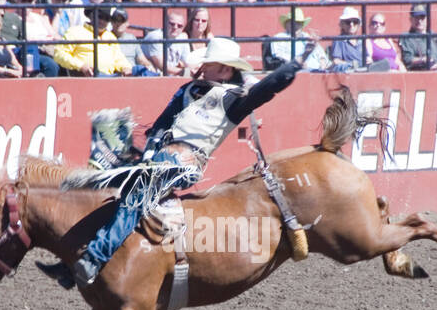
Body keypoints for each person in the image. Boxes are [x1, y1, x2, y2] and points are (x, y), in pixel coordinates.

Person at [68, 38, 301, 286]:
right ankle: (71, 262)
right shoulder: (188, 90)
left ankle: (94, 258)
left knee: (137, 195)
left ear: (223, 69)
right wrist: (148, 153)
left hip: (183, 162)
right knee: (108, 180)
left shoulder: (234, 100)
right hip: (160, 157)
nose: (202, 66)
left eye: (208, 63)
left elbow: (267, 88)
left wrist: (294, 66)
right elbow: (161, 124)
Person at [400, 5, 437, 71]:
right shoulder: (407, 38)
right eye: (416, 18)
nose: (419, 21)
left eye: (422, 18)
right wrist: (424, 60)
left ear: (427, 19)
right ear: (410, 19)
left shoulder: (433, 35)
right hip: (424, 73)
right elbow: (408, 59)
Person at [329, 7, 365, 71]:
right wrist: (351, 65)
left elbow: (368, 57)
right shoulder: (339, 40)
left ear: (358, 24)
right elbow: (336, 61)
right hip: (348, 73)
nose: (351, 24)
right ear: (342, 24)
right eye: (348, 22)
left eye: (355, 22)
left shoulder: (362, 40)